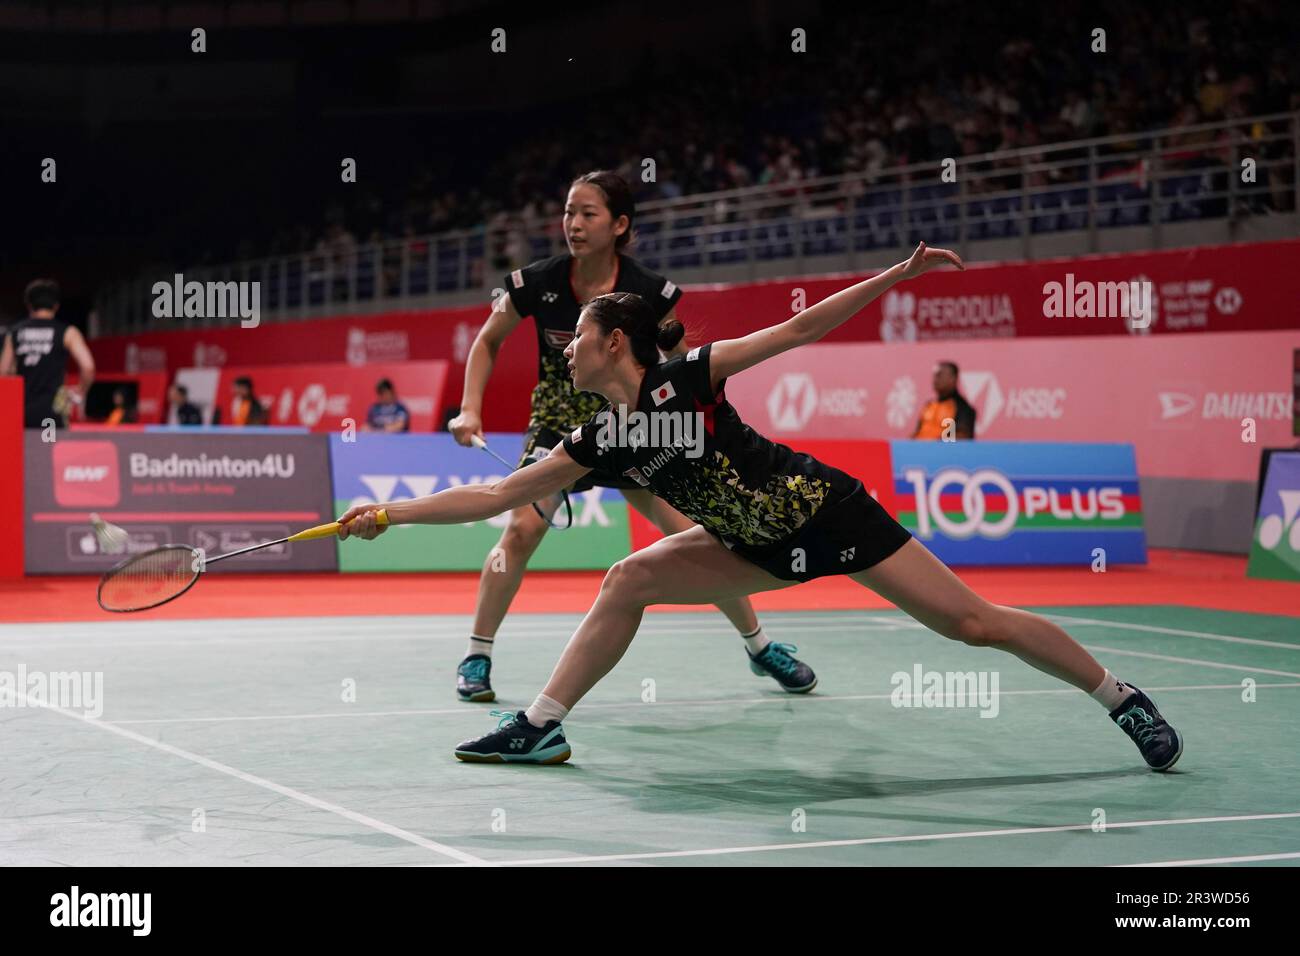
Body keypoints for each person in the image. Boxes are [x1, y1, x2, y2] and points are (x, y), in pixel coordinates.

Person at [337, 241, 1182, 773]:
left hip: (827, 514)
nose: (564, 348)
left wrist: (896, 274)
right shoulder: (599, 438)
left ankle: (1121, 697)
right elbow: (497, 492)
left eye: (576, 339)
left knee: (972, 625)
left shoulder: (688, 377)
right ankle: (541, 725)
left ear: (615, 344)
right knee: (627, 578)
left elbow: (797, 331)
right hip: (751, 543)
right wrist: (389, 516)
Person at [444, 169, 814, 703]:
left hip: (634, 422)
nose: (573, 223)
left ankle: (759, 647)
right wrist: (469, 409)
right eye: (569, 211)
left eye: (588, 213)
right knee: (520, 533)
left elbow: (680, 360)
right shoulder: (532, 282)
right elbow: (486, 341)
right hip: (558, 423)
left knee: (696, 534)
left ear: (619, 224)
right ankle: (477, 654)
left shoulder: (651, 291)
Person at [0, 279, 96, 430]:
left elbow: (4, 373)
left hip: (22, 411)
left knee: (27, 453)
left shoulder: (14, 333)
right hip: (53, 413)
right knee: (48, 449)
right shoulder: (68, 332)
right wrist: (80, 392)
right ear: (56, 306)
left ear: (29, 305)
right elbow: (88, 367)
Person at [912, 361, 976, 440]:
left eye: (939, 375)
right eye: (934, 376)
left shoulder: (963, 408)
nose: (935, 379)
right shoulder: (928, 405)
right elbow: (917, 433)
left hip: (941, 451)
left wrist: (936, 444)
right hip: (918, 450)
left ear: (953, 379)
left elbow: (962, 437)